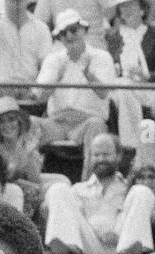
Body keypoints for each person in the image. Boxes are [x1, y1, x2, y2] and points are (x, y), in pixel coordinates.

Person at [35, 9, 140, 153]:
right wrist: (57, 79)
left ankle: (91, 176)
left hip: (88, 122)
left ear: (83, 30)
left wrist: (87, 74)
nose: (69, 35)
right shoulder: (53, 59)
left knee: (96, 125)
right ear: (59, 37)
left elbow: (104, 93)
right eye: (63, 33)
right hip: (56, 123)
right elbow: (40, 97)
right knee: (28, 124)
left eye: (73, 30)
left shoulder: (102, 57)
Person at [42, 132, 155, 254]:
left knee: (142, 191)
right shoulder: (78, 190)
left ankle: (129, 249)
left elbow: (150, 215)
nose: (101, 159)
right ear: (90, 158)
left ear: (119, 156)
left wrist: (117, 233)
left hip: (120, 244)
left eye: (106, 154)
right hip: (85, 245)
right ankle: (66, 248)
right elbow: (56, 212)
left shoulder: (130, 189)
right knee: (58, 188)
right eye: (96, 155)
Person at [0, 0, 53, 109]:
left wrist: (36, 91)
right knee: (2, 88)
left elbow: (47, 65)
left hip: (28, 88)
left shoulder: (41, 28)